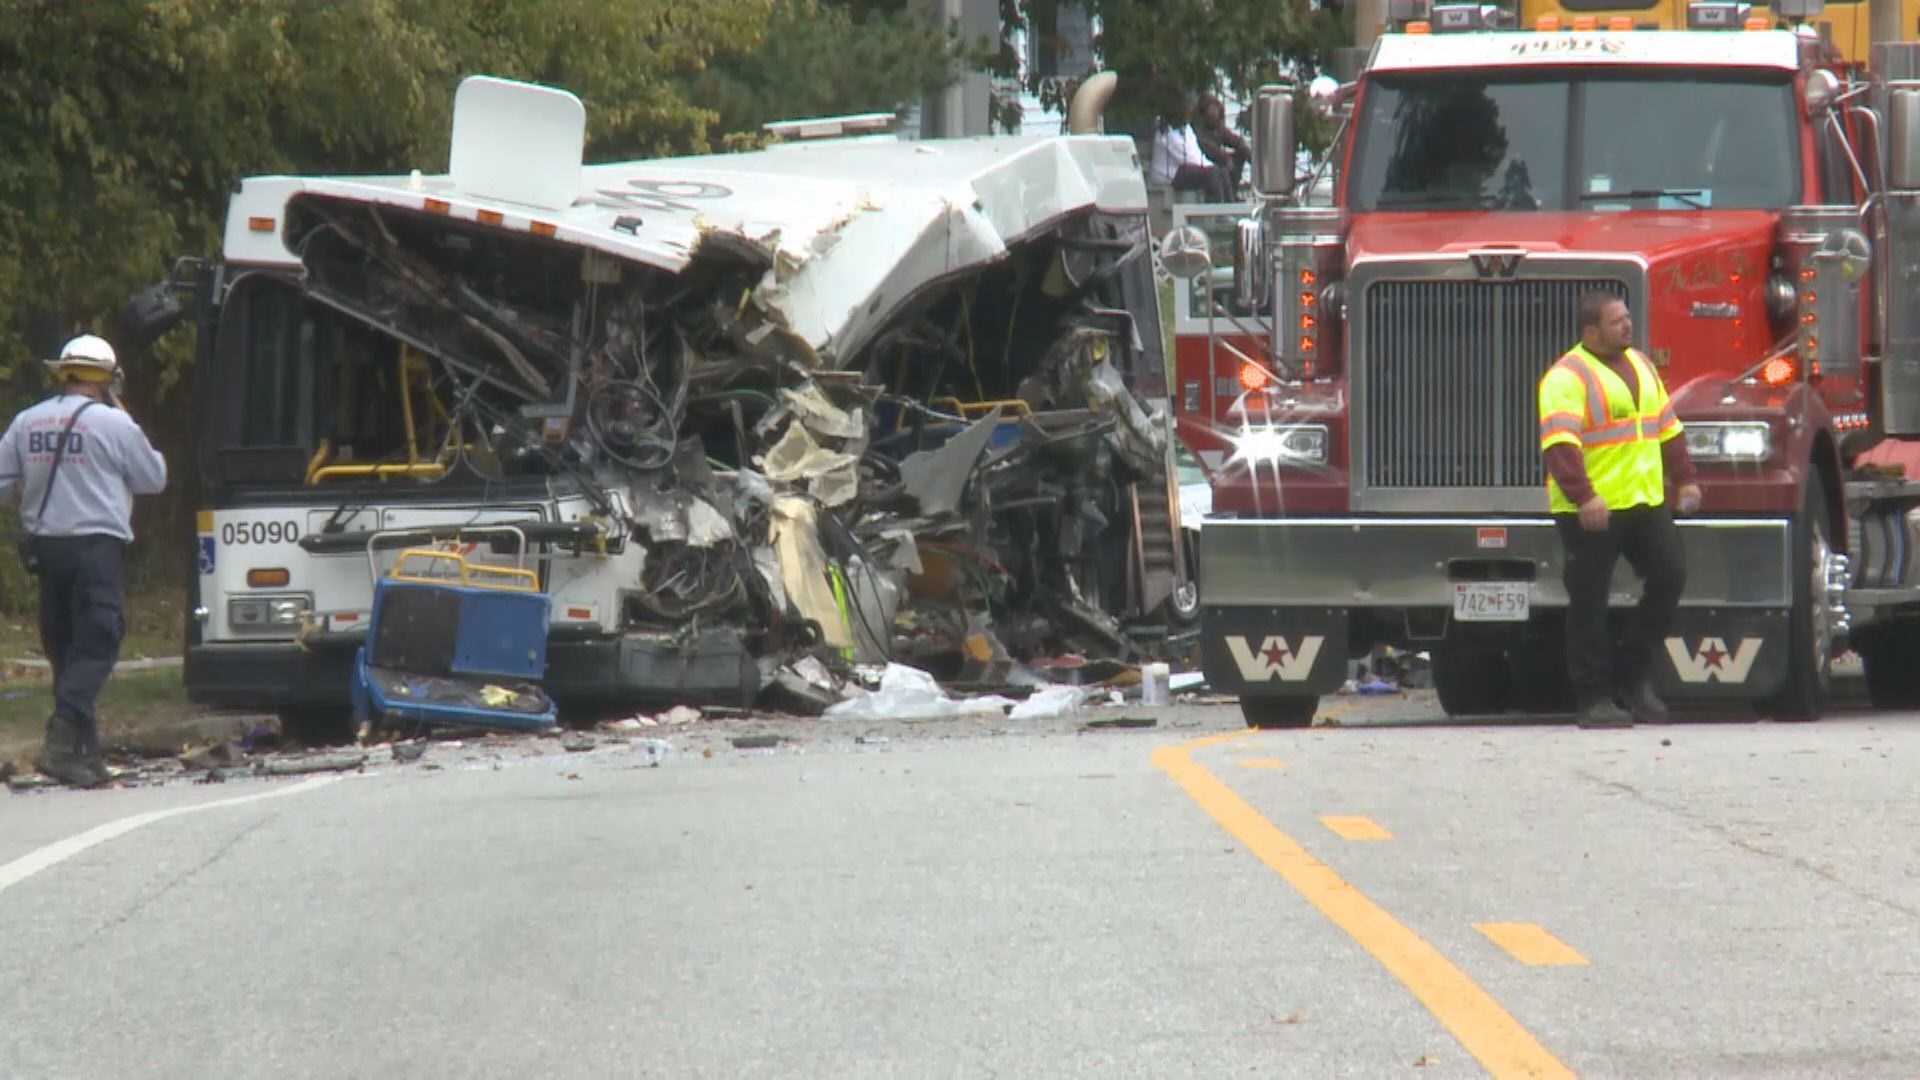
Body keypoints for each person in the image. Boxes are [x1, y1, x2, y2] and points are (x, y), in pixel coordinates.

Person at [0, 334, 168, 786]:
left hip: (47, 547)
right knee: (98, 639)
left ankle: (83, 752)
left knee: (66, 646)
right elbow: (154, 479)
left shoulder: (27, 421)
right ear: (109, 380)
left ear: (65, 374)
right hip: (96, 546)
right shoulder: (116, 426)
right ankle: (60, 743)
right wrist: (126, 416)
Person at [1537, 293, 1699, 729]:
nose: (1627, 326)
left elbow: (1669, 428)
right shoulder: (1565, 377)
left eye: (1627, 318)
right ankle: (1593, 698)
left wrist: (1686, 479)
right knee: (1589, 601)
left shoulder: (1643, 366)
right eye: (1616, 321)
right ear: (1590, 332)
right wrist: (1584, 496)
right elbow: (1559, 446)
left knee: (1670, 575)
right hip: (1591, 509)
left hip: (1644, 502)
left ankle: (1633, 673)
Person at [1150, 104, 1233, 203]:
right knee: (1212, 173)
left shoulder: (1186, 128)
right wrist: (1210, 167)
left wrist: (1211, 166)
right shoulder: (1167, 132)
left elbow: (1195, 151)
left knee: (1222, 171)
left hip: (1182, 169)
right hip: (1169, 175)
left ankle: (1230, 209)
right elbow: (1186, 157)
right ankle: (1219, 213)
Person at [1193, 93, 1250, 192]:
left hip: (1221, 161)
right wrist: (1224, 158)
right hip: (1205, 163)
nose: (1215, 112)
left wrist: (1245, 150)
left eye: (1216, 108)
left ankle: (1233, 191)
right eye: (1211, 108)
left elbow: (1234, 140)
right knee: (1225, 162)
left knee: (1241, 153)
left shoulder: (1218, 127)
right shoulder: (1198, 127)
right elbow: (1205, 146)